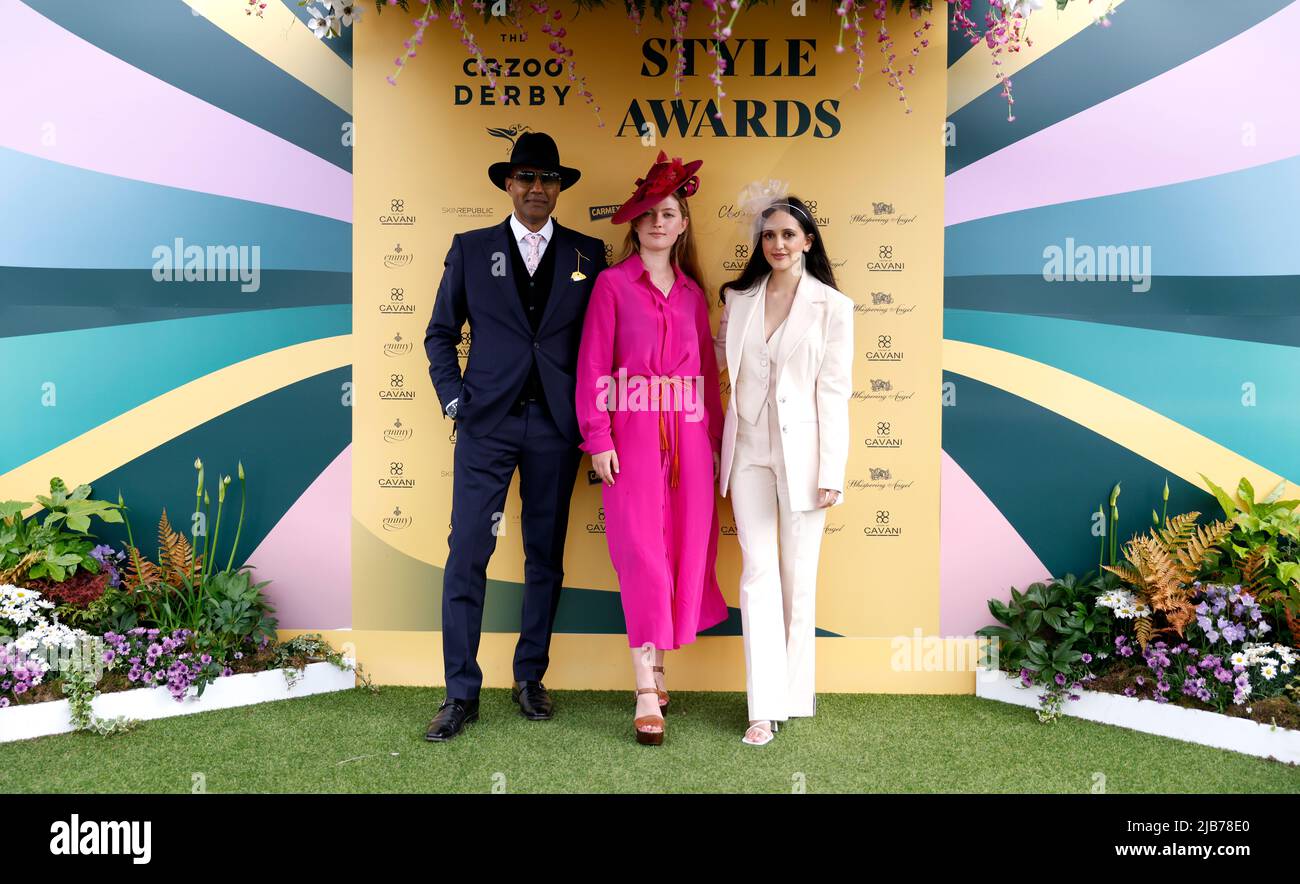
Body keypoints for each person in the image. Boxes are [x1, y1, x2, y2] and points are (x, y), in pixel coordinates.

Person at [422, 132, 608, 741]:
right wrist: (454, 399)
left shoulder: (588, 253)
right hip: (487, 424)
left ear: (559, 187)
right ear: (508, 184)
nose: (536, 188)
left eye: (547, 179)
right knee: (468, 551)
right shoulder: (472, 250)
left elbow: (599, 343)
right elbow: (440, 334)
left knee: (545, 557)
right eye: (525, 177)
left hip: (557, 427)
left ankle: (530, 677)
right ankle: (460, 692)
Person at [575, 151, 729, 745]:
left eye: (668, 214)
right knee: (640, 551)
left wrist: (715, 444)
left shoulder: (695, 294)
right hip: (633, 434)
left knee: (686, 549)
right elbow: (593, 366)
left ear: (683, 221)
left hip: (688, 433)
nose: (658, 224)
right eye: (648, 215)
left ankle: (661, 667)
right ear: (635, 224)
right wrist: (598, 438)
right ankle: (644, 687)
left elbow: (709, 381)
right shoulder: (613, 286)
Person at [714, 194, 853, 746]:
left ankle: (794, 694)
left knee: (798, 578)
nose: (777, 244)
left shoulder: (833, 308)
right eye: (769, 235)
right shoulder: (737, 298)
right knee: (758, 573)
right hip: (746, 448)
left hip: (805, 455)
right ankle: (763, 706)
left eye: (788, 235)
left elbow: (835, 392)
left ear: (808, 242)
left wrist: (831, 470)